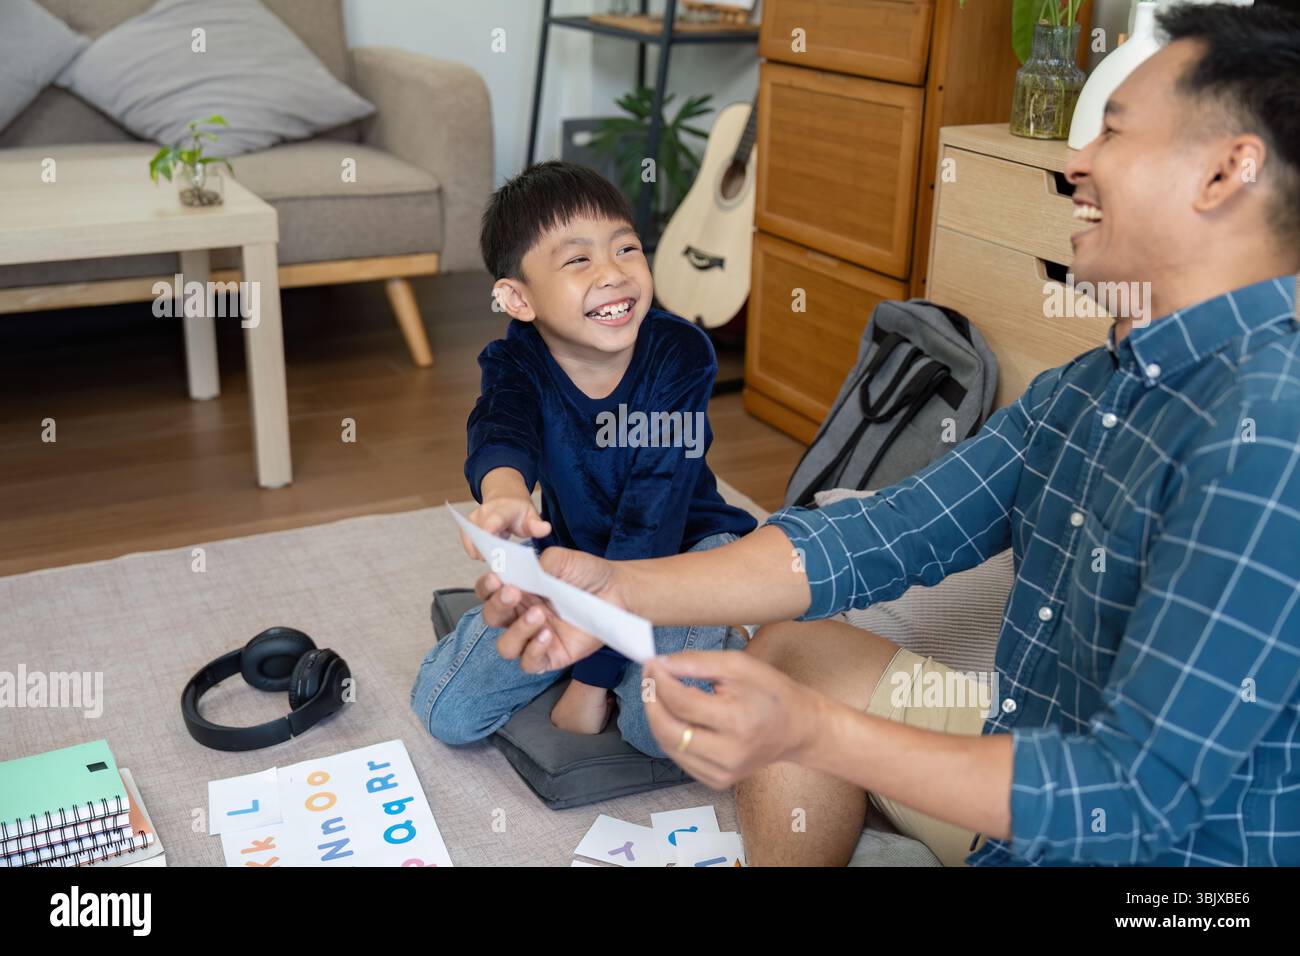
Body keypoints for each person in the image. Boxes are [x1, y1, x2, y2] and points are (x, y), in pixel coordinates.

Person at [474, 3, 1300, 865]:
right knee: (791, 651)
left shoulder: (1270, 431)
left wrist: (820, 734)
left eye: (1115, 132)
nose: (1076, 160)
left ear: (1223, 173)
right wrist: (614, 589)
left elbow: (1130, 796)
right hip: (1020, 781)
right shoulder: (1094, 386)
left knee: (807, 708)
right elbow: (886, 532)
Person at [410, 161, 755, 757]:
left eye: (627, 248)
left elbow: (651, 520)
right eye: (578, 260)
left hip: (686, 553)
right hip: (575, 561)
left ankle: (732, 625)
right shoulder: (515, 360)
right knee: (446, 710)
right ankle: (630, 652)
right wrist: (505, 495)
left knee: (659, 735)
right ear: (517, 298)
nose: (614, 274)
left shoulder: (679, 354)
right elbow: (500, 424)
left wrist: (590, 683)